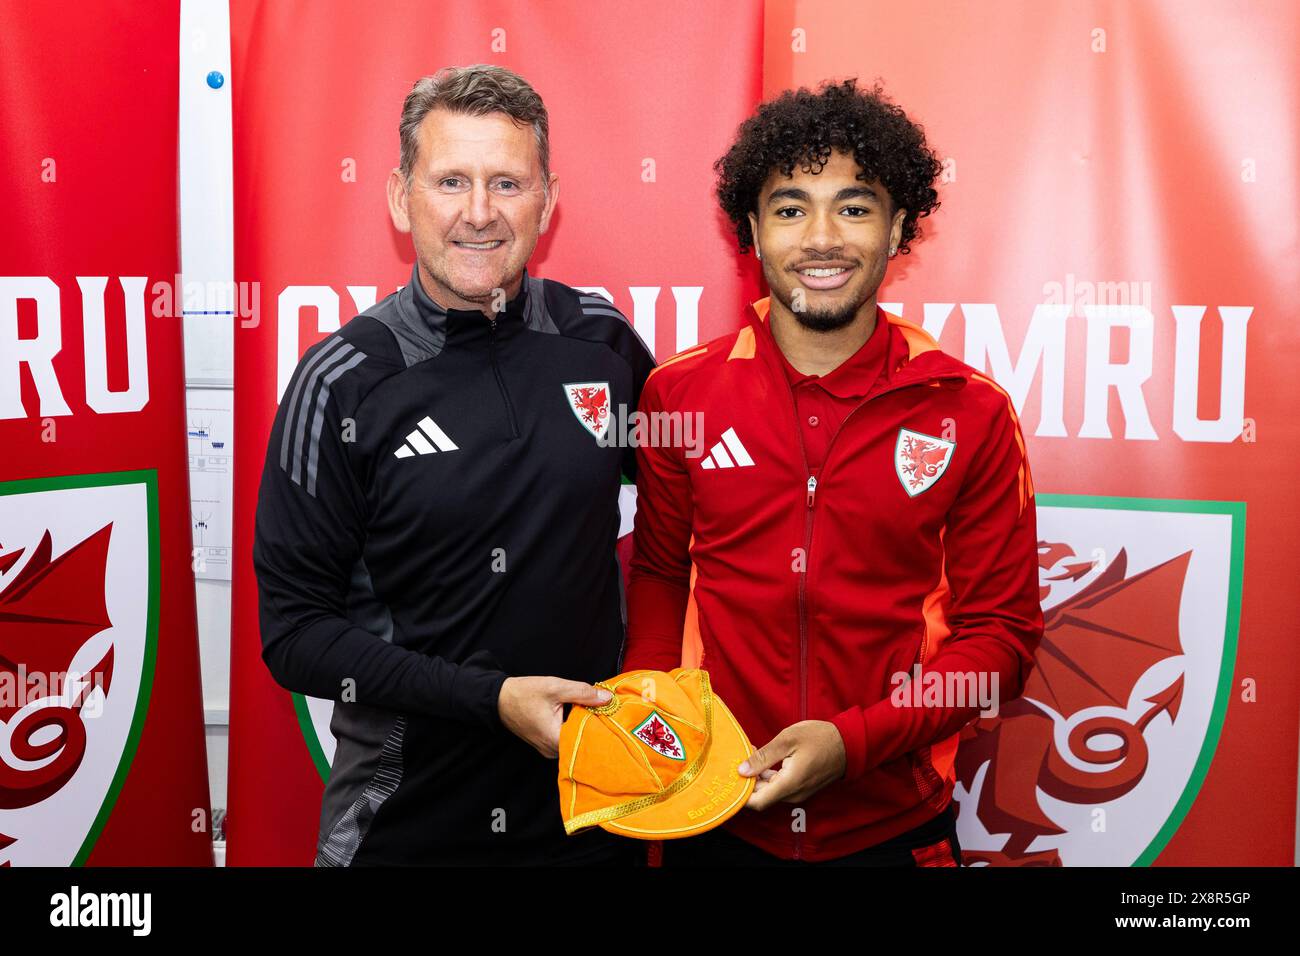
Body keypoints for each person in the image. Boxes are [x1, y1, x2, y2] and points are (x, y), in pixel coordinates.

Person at [624, 78, 1044, 865]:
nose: (822, 238)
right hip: (714, 819)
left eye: (854, 207)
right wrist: (656, 716)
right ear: (751, 230)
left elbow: (1001, 639)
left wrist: (853, 743)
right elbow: (657, 574)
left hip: (895, 825)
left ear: (898, 229)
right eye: (790, 209)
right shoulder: (678, 392)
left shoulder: (972, 410)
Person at [253, 64, 654, 865]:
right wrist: (492, 701)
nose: (480, 213)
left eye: (507, 182)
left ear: (548, 199)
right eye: (451, 181)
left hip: (595, 813)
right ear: (403, 199)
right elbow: (294, 634)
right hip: (406, 822)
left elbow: (702, 511)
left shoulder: (601, 342)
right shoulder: (341, 381)